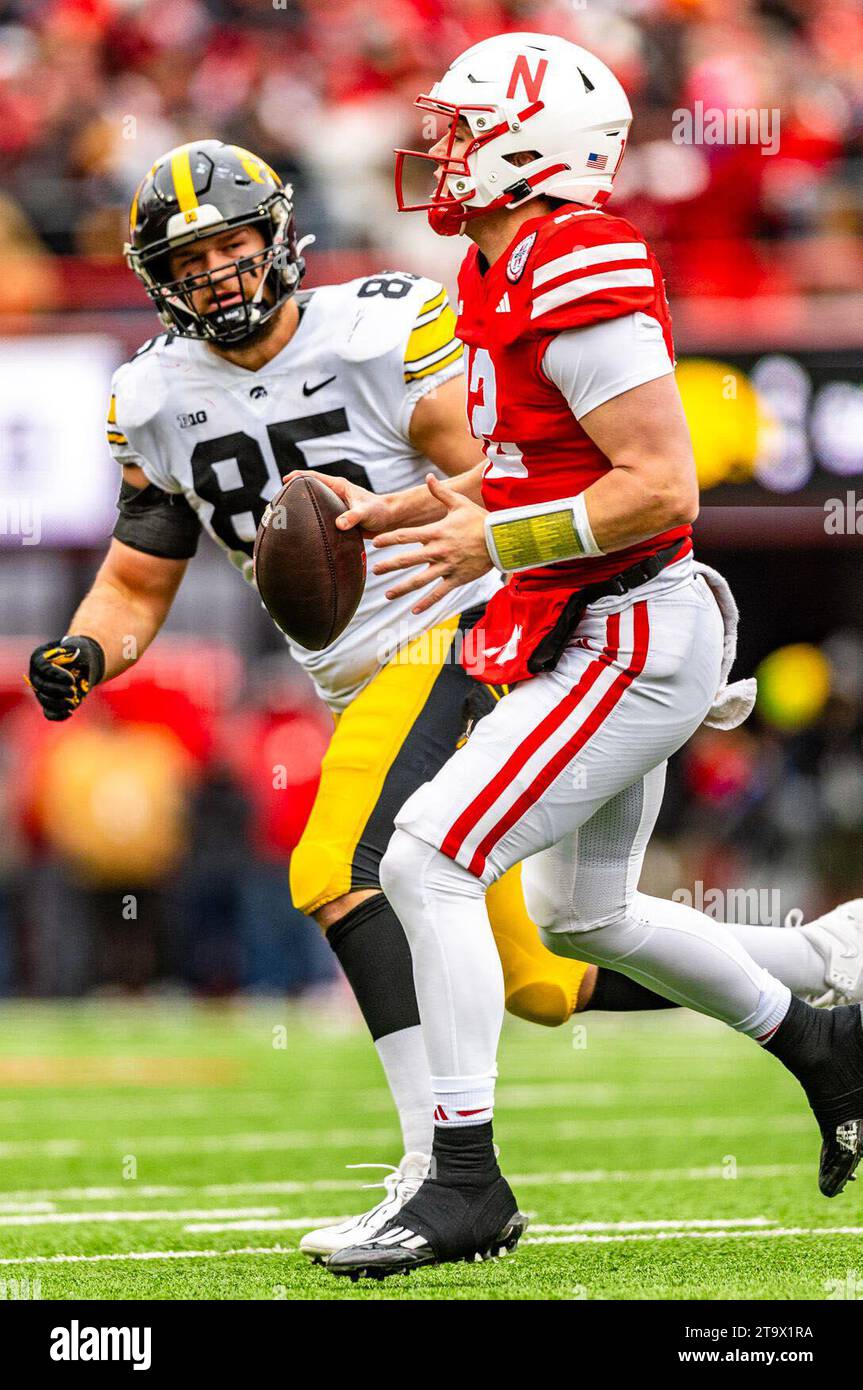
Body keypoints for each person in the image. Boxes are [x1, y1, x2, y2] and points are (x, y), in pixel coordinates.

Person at [27, 138, 861, 1262]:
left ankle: (445, 1176)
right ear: (155, 275)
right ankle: (821, 981)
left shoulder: (376, 327)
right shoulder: (151, 396)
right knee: (547, 979)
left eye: (233, 242)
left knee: (339, 869)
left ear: (277, 237)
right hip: (367, 678)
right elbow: (136, 576)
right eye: (192, 256)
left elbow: (497, 473)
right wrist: (84, 651)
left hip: (460, 638)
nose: (220, 272)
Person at [314, 34, 863, 1279]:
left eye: (461, 127)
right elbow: (528, 469)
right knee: (587, 916)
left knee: (428, 857)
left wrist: (489, 538)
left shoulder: (577, 256)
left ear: (529, 143)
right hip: (589, 620)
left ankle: (460, 1184)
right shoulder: (497, 263)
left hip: (628, 624)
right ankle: (823, 1025)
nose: (440, 150)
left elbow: (658, 486)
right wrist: (420, 511)